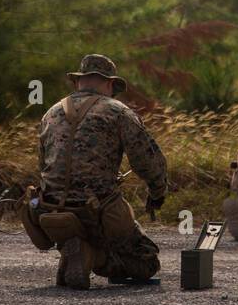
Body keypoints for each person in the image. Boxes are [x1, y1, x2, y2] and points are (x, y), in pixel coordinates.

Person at [20, 54, 167, 289]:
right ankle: (90, 256)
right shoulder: (118, 112)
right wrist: (158, 192)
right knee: (147, 261)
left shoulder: (50, 113)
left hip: (50, 210)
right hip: (96, 211)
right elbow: (147, 161)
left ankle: (72, 253)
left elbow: (43, 165)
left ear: (78, 82)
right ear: (109, 84)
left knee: (88, 229)